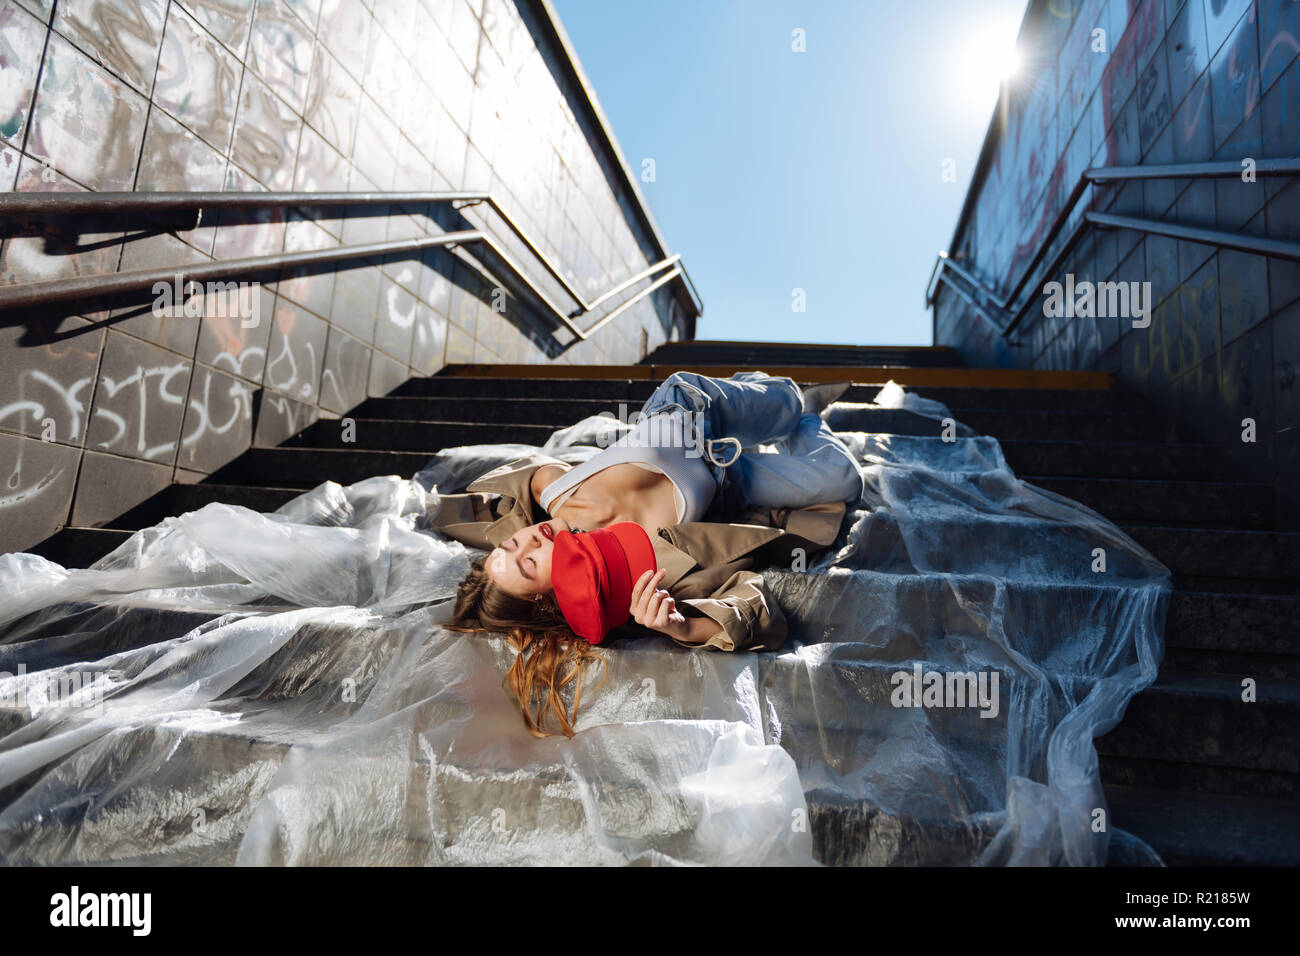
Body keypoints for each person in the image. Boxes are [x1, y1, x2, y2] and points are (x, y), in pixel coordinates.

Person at [437, 371, 864, 737]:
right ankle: (810, 415)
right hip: (729, 478)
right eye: (528, 563)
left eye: (513, 543)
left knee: (783, 400)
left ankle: (770, 396)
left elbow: (470, 511)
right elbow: (757, 610)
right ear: (552, 599)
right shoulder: (646, 577)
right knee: (845, 480)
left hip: (690, 407)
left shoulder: (548, 493)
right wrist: (682, 627)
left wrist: (443, 515)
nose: (531, 541)